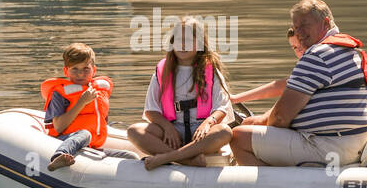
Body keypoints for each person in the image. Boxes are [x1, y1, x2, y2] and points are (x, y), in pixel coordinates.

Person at [231, 0, 367, 166]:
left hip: (331, 147)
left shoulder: (317, 55)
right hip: (357, 142)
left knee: (238, 137)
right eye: (296, 27)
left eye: (305, 25)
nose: (299, 33)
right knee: (254, 126)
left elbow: (280, 118)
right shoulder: (348, 51)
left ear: (326, 23)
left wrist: (262, 128)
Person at [128, 16, 234, 169]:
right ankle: (187, 161)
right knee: (134, 131)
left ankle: (169, 157)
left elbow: (222, 108)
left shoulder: (211, 71)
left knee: (224, 132)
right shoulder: (163, 70)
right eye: (178, 40)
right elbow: (151, 110)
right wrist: (168, 128)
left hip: (201, 133)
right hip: (172, 132)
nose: (183, 45)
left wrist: (207, 123)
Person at [41, 43, 113, 171]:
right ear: (66, 71)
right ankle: (59, 156)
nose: (80, 74)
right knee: (85, 133)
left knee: (130, 156)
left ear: (94, 70)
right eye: (75, 69)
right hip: (63, 141)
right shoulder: (60, 93)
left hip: (91, 146)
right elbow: (58, 127)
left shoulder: (99, 91)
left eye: (86, 68)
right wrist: (81, 103)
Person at [230, 27, 306, 105]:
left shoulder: (314, 62)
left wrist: (235, 98)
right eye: (295, 47)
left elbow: (282, 86)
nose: (299, 50)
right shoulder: (305, 66)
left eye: (302, 44)